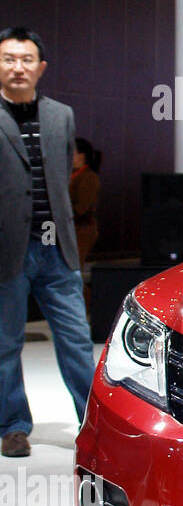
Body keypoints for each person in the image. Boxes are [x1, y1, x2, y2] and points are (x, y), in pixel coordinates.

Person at [0, 26, 95, 458]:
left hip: (57, 248)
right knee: (6, 343)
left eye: (25, 60)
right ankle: (13, 426)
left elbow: (61, 182)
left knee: (76, 339)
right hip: (7, 249)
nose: (17, 67)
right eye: (8, 59)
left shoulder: (62, 115)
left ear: (40, 68)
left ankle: (93, 424)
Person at [69, 137, 101, 270]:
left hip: (82, 229)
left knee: (73, 268)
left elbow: (82, 208)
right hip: (71, 228)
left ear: (81, 156)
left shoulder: (88, 177)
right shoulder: (72, 175)